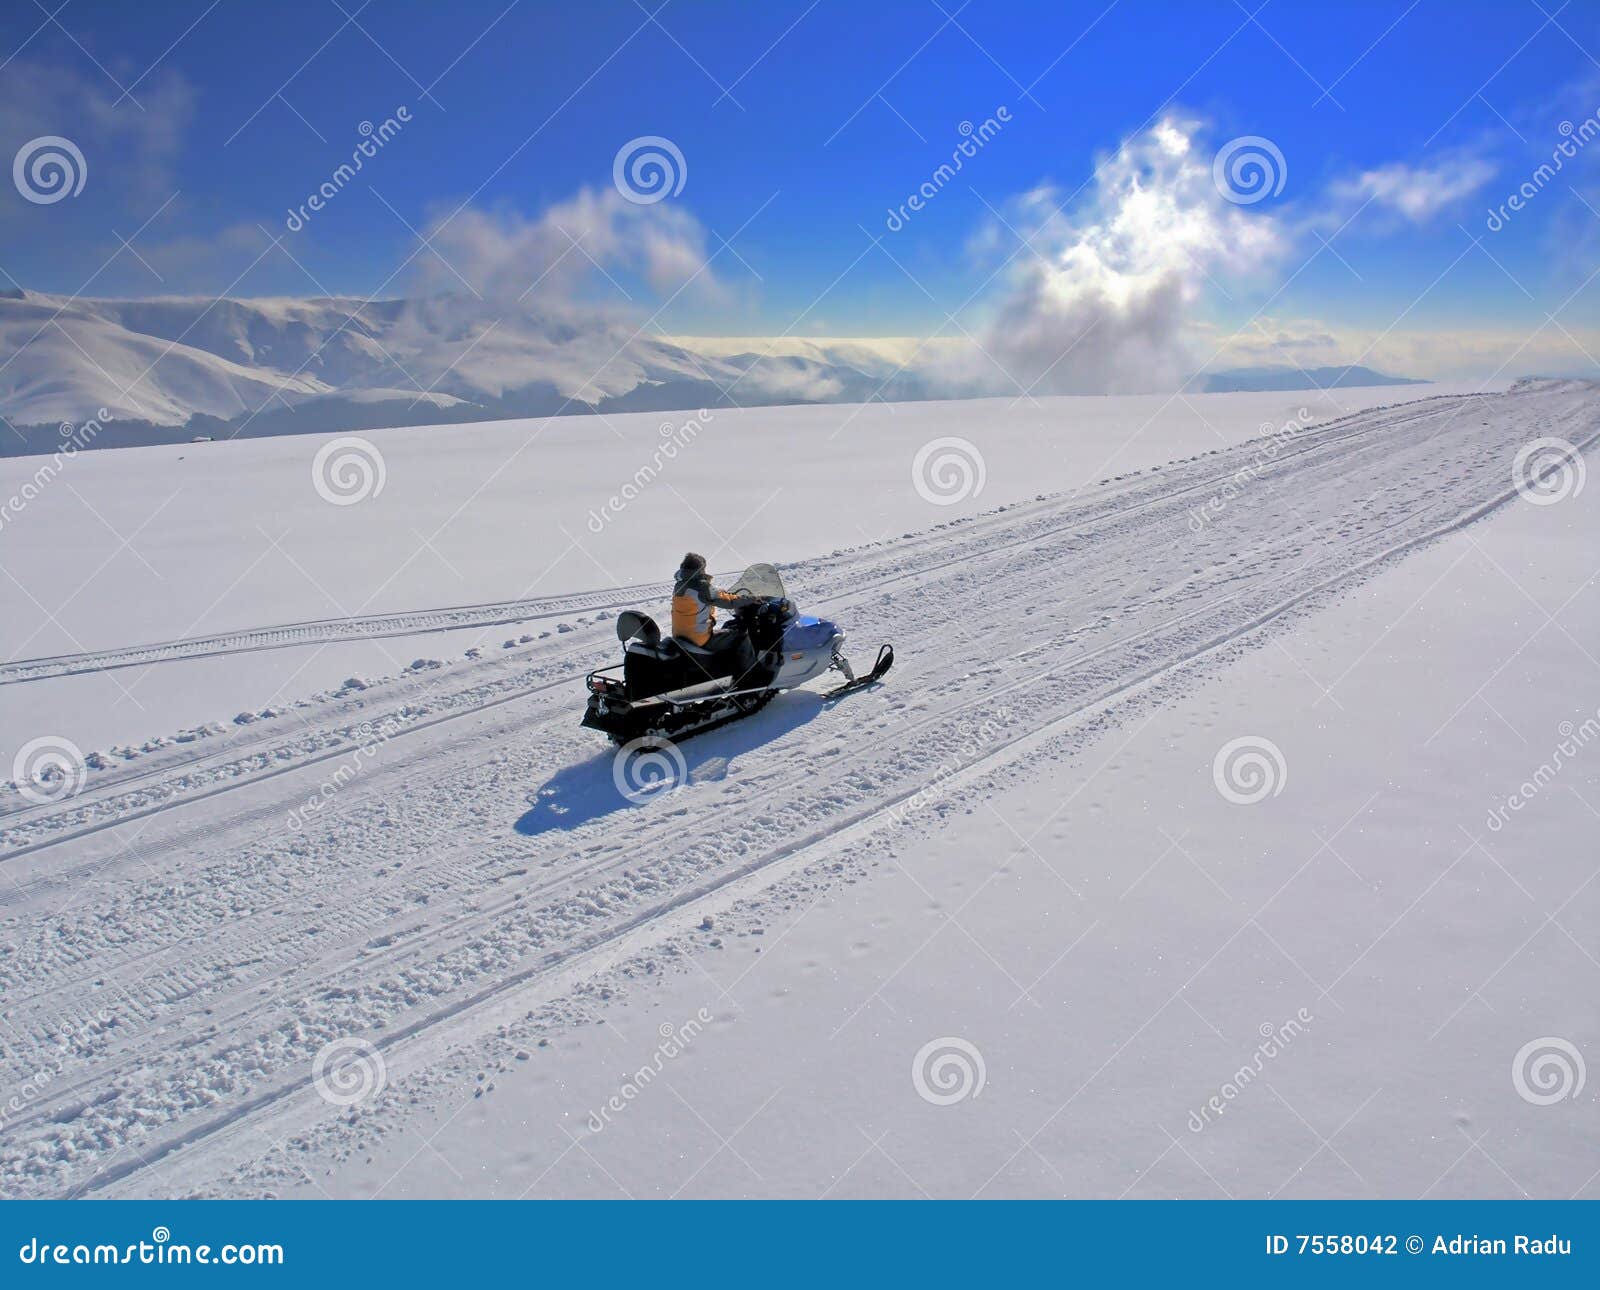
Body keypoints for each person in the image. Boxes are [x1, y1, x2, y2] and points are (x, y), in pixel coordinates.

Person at [671, 552, 760, 650]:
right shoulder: (701, 586)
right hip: (698, 639)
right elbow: (729, 602)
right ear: (700, 569)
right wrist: (752, 598)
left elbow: (705, 597)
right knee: (741, 636)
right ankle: (753, 666)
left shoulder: (679, 585)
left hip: (679, 636)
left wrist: (720, 592)